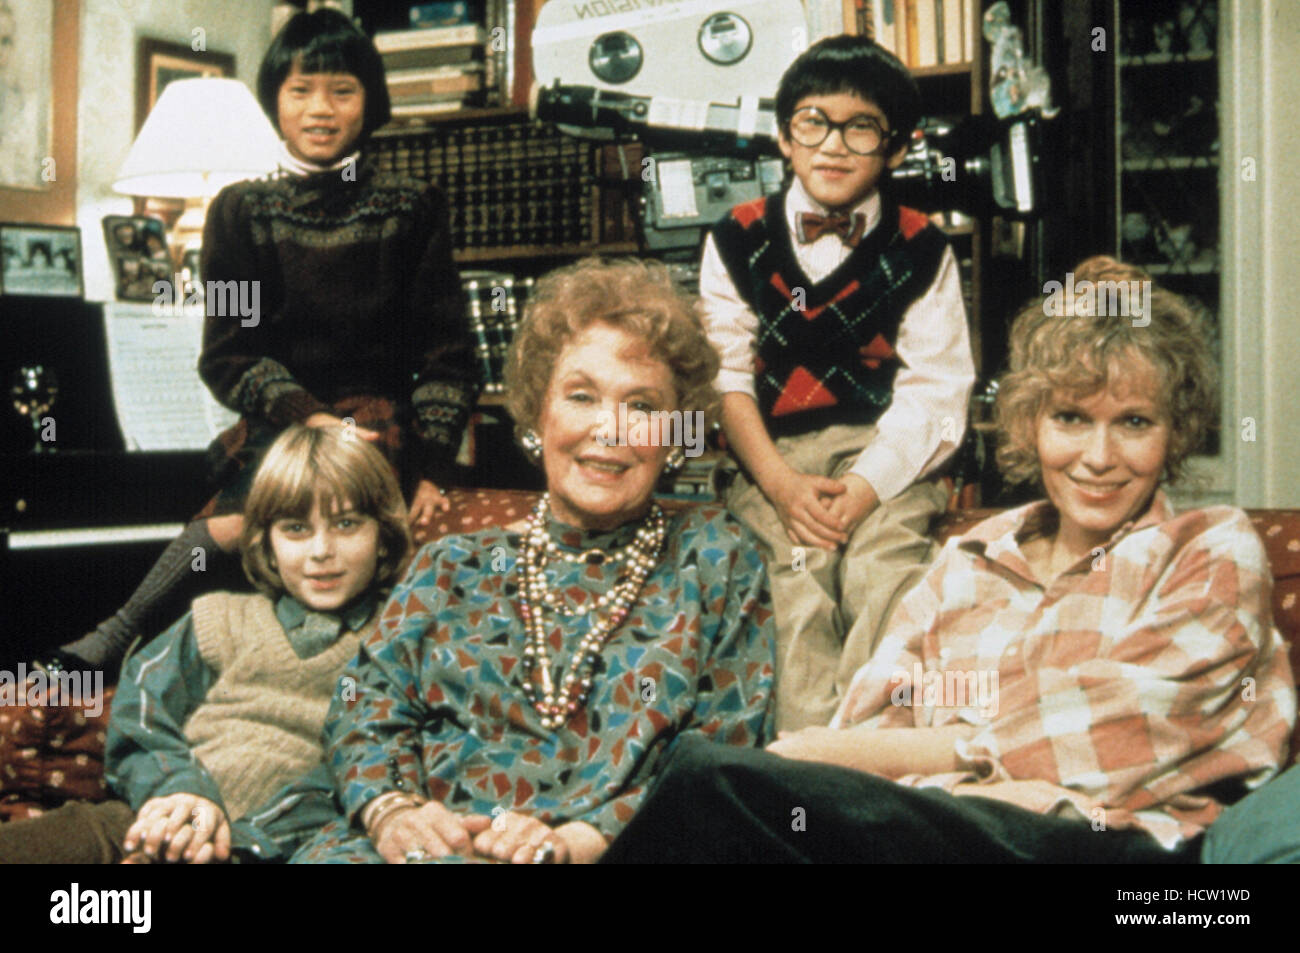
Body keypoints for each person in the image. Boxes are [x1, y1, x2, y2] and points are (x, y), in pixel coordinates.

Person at [602, 256, 1296, 863]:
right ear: (1030, 421)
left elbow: (1123, 727)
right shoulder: (968, 559)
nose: (1099, 456)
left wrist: (907, 757)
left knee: (712, 781)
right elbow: (876, 717)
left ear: (1176, 432)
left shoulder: (1209, 547)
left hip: (1114, 846)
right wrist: (846, 764)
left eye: (1135, 422)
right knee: (741, 805)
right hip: (940, 835)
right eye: (1072, 418)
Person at [291, 258, 775, 864]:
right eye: (580, 396)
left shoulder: (716, 559)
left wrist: (577, 842)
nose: (609, 429)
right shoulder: (449, 565)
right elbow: (363, 706)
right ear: (538, 414)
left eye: (643, 407)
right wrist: (394, 813)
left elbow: (726, 751)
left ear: (677, 435)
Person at [46, 8, 478, 674]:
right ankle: (121, 639)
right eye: (300, 91)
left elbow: (447, 354)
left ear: (371, 101)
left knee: (317, 524)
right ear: (276, 99)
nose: (321, 110)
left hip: (377, 427)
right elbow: (228, 353)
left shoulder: (413, 207)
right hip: (284, 418)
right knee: (217, 532)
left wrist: (435, 466)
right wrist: (311, 419)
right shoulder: (239, 213)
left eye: (342, 90)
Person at [701, 34, 976, 730]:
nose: (833, 145)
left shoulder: (923, 246)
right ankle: (804, 776)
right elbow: (725, 380)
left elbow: (936, 392)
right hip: (773, 459)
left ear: (897, 147)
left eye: (861, 128)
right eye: (812, 122)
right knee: (795, 586)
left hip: (887, 456)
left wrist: (864, 488)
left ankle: (872, 760)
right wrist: (782, 484)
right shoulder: (735, 237)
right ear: (784, 138)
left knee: (883, 574)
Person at [0, 425, 412, 864]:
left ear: (383, 536)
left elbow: (362, 775)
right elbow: (142, 710)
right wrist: (179, 791)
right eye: (295, 529)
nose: (321, 550)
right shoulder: (221, 617)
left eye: (346, 524)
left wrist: (229, 840)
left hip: (263, 847)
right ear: (267, 543)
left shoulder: (398, 642)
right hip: (148, 817)